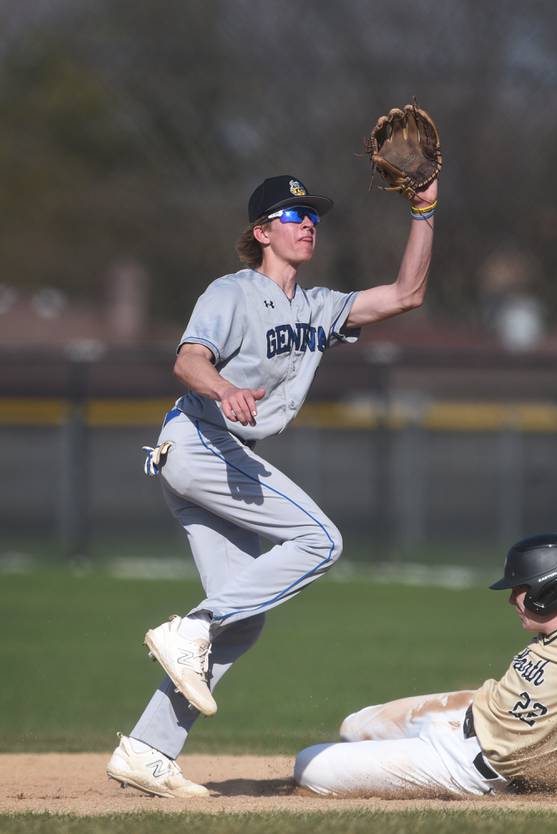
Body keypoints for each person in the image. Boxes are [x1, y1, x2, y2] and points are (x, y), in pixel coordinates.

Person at [105, 173, 438, 798]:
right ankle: (192, 628)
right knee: (320, 540)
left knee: (243, 618)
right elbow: (188, 360)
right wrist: (225, 388)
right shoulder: (232, 292)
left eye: (311, 214)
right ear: (261, 232)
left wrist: (423, 210)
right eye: (291, 214)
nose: (307, 222)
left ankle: (148, 748)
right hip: (202, 440)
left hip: (217, 454)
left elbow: (405, 294)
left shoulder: (316, 309)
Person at [294, 533, 557, 799]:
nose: (512, 600)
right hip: (461, 712)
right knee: (352, 725)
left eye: (520, 590)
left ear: (551, 588)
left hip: (465, 765)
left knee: (310, 766)